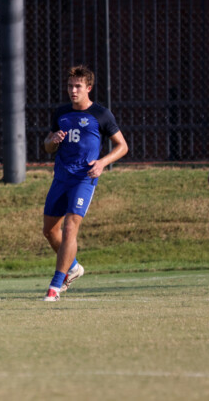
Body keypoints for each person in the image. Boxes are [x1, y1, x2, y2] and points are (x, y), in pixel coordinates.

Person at [42, 65, 128, 301]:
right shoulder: (60, 113)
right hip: (60, 178)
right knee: (49, 231)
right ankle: (73, 267)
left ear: (88, 88)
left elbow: (122, 146)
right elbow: (47, 145)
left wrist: (102, 163)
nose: (73, 90)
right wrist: (53, 140)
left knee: (70, 228)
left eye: (78, 86)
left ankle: (56, 286)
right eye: (70, 86)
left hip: (84, 179)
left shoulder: (101, 114)